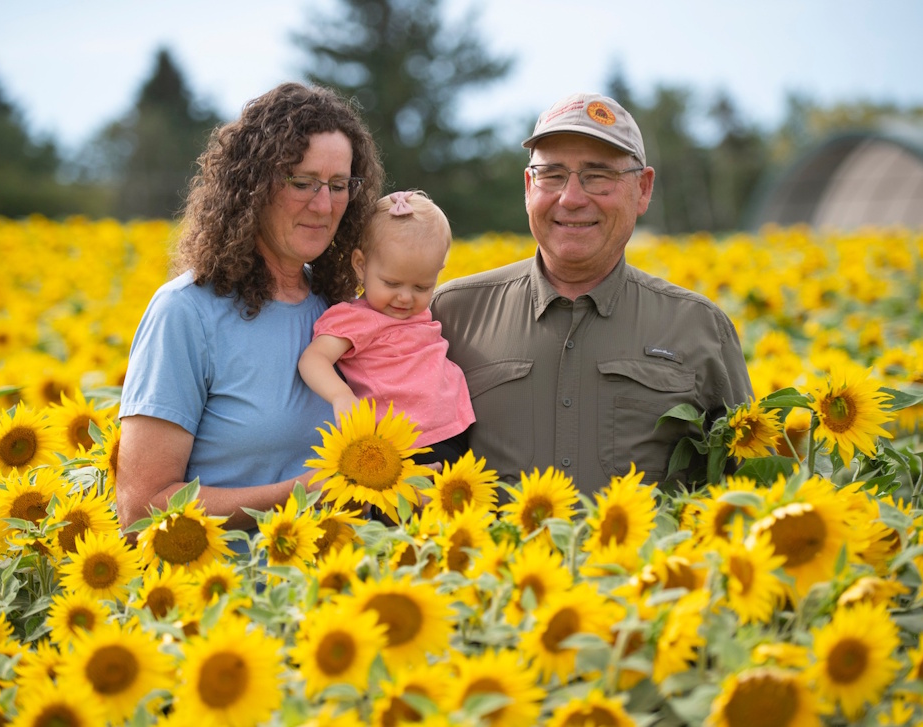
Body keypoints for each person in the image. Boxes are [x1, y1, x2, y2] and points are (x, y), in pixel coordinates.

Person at [430, 92, 753, 497]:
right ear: (529, 187)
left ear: (643, 189)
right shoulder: (453, 315)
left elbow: (749, 490)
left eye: (598, 175)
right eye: (552, 175)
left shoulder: (700, 327)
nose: (572, 198)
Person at [116, 82, 384, 533]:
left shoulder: (343, 308)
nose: (324, 205)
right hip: (229, 594)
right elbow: (141, 508)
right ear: (252, 185)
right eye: (302, 183)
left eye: (339, 186)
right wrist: (306, 494)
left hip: (346, 591)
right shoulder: (186, 313)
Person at [298, 190, 474, 466]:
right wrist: (341, 396)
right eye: (392, 284)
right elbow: (313, 359)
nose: (405, 297)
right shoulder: (356, 318)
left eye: (421, 287)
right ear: (361, 265)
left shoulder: (420, 310)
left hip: (456, 426)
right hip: (404, 443)